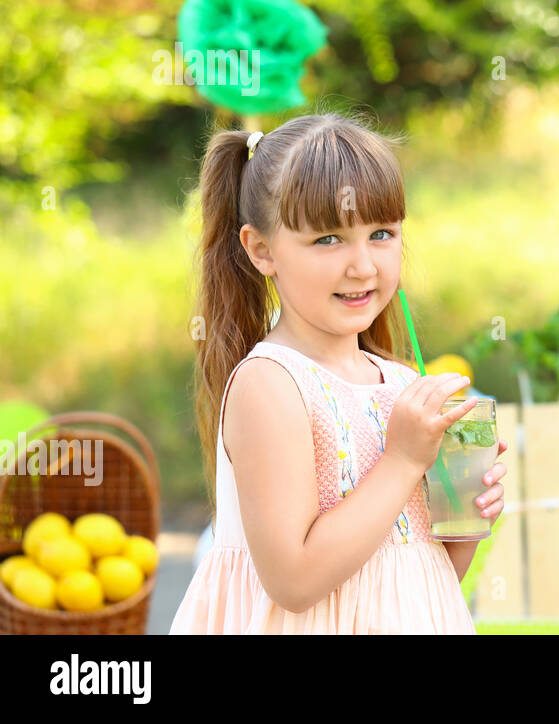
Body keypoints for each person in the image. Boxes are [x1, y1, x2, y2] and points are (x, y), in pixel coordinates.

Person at [170, 111, 506, 633]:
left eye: (381, 234)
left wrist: (462, 521)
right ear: (262, 250)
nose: (363, 266)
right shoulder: (271, 384)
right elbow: (295, 581)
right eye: (329, 239)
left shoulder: (399, 384)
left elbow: (416, 579)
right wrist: (402, 461)